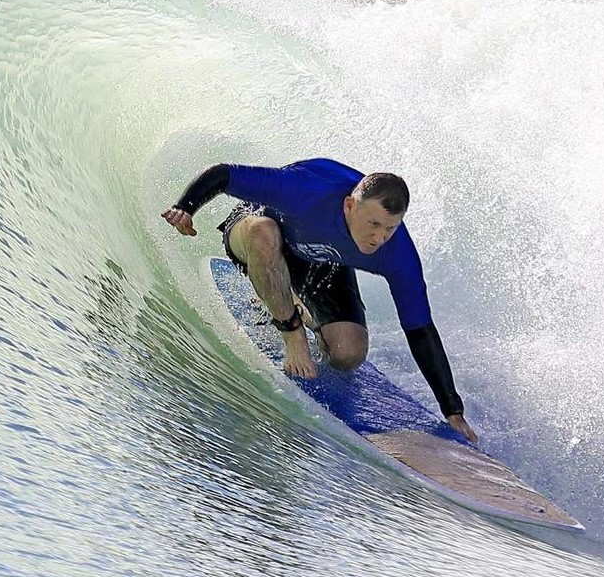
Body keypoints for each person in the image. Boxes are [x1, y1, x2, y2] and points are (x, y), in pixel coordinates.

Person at [159, 158, 479, 445]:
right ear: (350, 206)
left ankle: (292, 300)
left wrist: (452, 410)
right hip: (261, 231)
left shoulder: (397, 254)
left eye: (390, 228)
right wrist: (186, 207)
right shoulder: (307, 188)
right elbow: (224, 174)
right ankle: (291, 330)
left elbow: (420, 328)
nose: (379, 238)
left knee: (348, 354)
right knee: (263, 233)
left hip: (321, 260)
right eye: (373, 225)